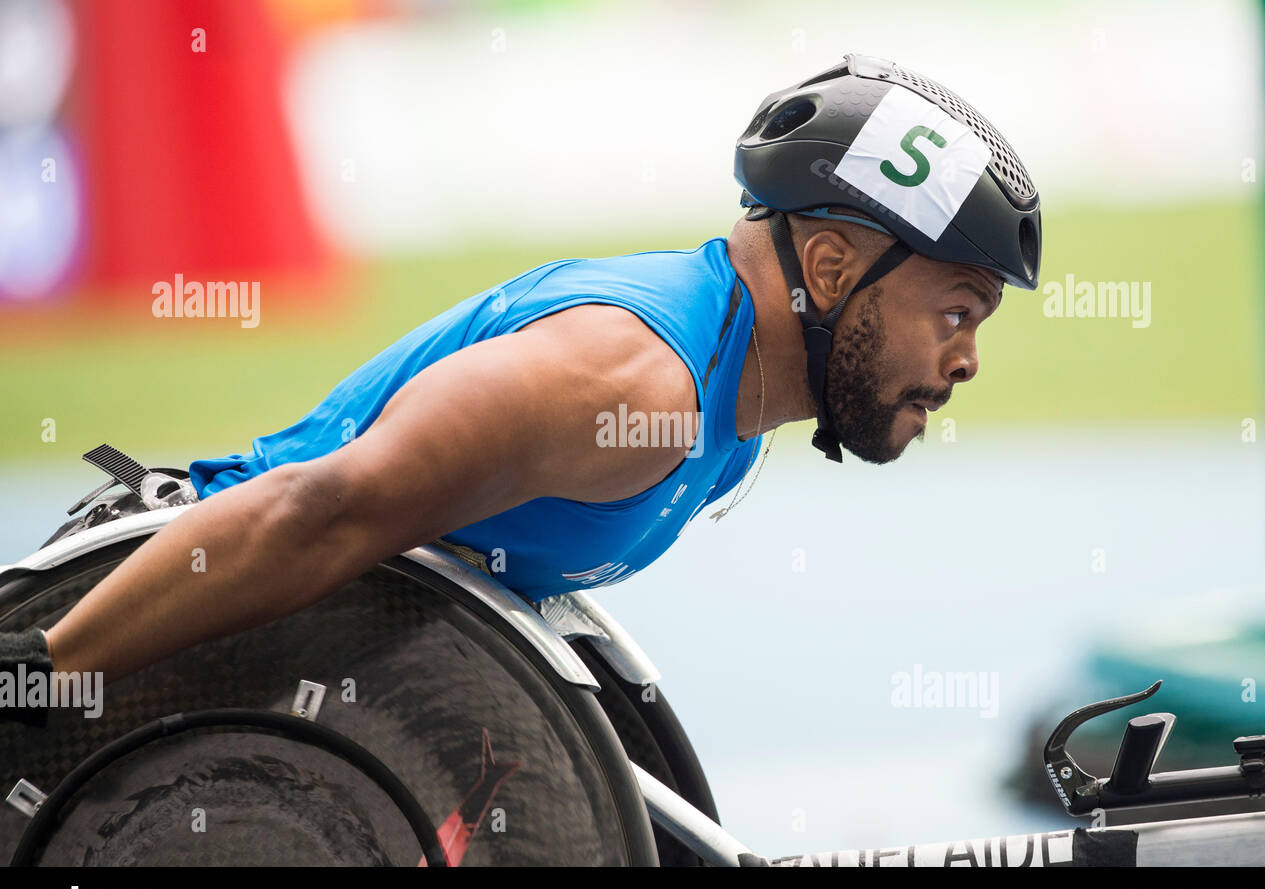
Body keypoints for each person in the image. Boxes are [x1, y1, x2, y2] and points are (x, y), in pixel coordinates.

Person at [0, 53, 1041, 723]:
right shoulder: (630, 379)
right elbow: (314, 509)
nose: (966, 361)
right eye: (956, 311)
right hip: (161, 618)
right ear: (826, 269)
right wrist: (37, 672)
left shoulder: (733, 387)